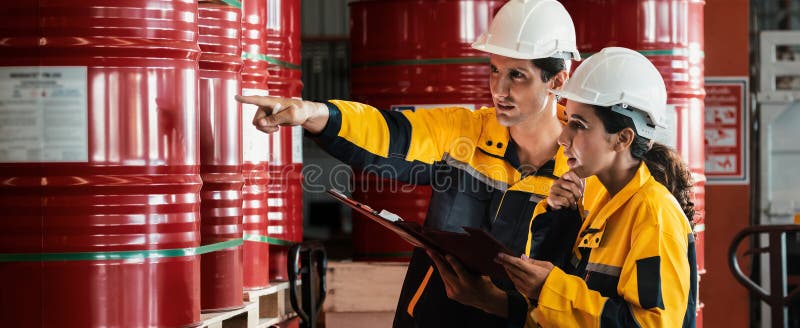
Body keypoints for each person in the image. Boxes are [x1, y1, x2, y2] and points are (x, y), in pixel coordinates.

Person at [237, 1, 588, 326]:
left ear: (558, 80)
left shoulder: (585, 174)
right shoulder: (463, 133)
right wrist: (312, 113)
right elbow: (388, 133)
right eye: (495, 71)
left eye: (517, 76)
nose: (499, 89)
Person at [431, 47, 698, 327]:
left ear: (622, 138)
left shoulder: (653, 214)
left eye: (579, 125)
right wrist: (559, 222)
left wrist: (550, 289)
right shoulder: (598, 205)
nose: (563, 137)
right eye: (568, 120)